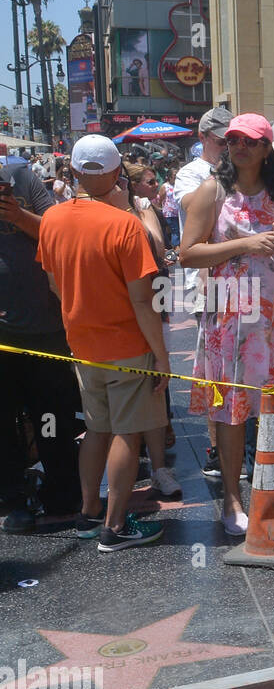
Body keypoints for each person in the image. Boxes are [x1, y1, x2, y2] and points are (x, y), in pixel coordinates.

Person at [35, 135, 165, 551]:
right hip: (127, 343)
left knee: (95, 429)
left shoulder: (52, 219)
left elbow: (54, 283)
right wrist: (161, 358)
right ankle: (115, 527)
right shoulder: (125, 224)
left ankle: (89, 515)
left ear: (73, 171)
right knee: (129, 433)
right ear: (115, 175)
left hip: (82, 342)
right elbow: (142, 301)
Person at [179, 113, 274, 537]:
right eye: (233, 139)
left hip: (273, 312)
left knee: (271, 402)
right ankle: (232, 499)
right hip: (228, 312)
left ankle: (272, 491)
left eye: (249, 141)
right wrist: (247, 243)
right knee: (231, 410)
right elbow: (188, 253)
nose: (240, 147)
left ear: (266, 148)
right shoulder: (213, 191)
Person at [0, 149, 83, 533]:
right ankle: (14, 496)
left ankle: (62, 488)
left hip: (44, 329)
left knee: (51, 416)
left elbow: (56, 232)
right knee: (3, 421)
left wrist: (18, 215)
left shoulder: (21, 176)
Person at [174, 106, 233, 480]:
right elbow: (190, 205)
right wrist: (220, 180)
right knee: (216, 365)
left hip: (245, 279)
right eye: (222, 140)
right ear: (204, 138)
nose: (230, 146)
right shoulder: (191, 174)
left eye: (235, 140)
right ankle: (216, 447)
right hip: (207, 281)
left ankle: (246, 441)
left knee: (245, 362)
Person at [123, 161, 181, 498]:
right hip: (123, 310)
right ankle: (128, 476)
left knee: (158, 381)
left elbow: (159, 252)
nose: (154, 184)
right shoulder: (113, 212)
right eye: (148, 180)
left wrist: (146, 212)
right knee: (127, 392)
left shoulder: (149, 211)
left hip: (155, 299)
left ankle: (159, 464)